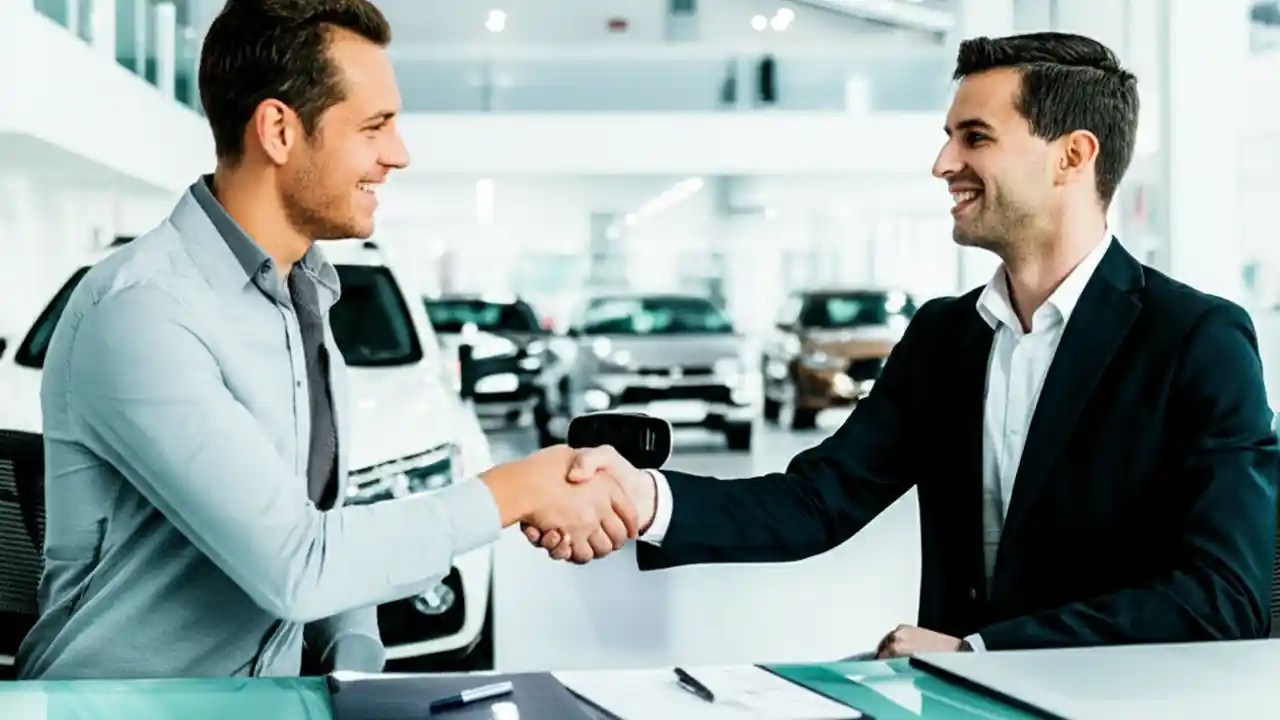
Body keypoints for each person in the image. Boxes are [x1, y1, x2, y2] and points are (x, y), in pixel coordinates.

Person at [528, 32, 1279, 656]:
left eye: (974, 137)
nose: (943, 164)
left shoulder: (1194, 339)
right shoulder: (945, 336)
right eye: (948, 136)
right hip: (955, 703)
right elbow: (816, 501)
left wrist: (982, 653)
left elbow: (1225, 595)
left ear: (1072, 156)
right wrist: (641, 496)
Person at [17, 0, 637, 680]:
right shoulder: (143, 312)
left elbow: (328, 534)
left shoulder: (304, 301)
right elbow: (299, 563)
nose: (397, 155)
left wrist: (355, 663)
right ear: (279, 131)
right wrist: (520, 487)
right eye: (375, 126)